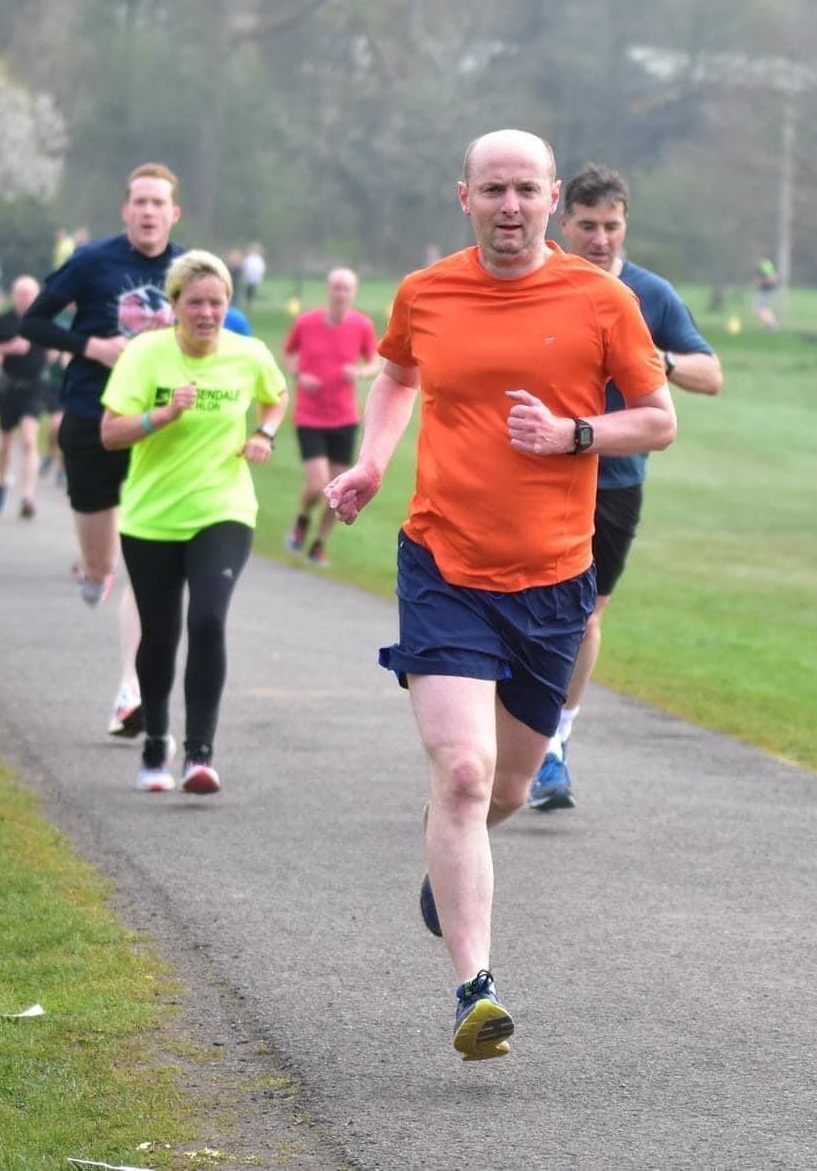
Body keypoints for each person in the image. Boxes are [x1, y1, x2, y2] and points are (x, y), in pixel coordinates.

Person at [323, 129, 675, 1061]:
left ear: (553, 198)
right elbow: (396, 375)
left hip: (554, 581)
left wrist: (574, 434)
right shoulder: (426, 292)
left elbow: (659, 420)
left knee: (508, 788)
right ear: (465, 197)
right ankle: (474, 991)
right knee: (463, 771)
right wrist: (372, 462)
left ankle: (449, 855)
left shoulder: (601, 300)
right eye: (493, 190)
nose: (509, 206)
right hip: (443, 565)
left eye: (526, 189)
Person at [528, 165, 723, 813]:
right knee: (521, 605)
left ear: (625, 225)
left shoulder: (649, 294)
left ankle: (554, 743)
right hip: (540, 469)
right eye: (587, 225)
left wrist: (655, 359)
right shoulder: (540, 280)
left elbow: (711, 374)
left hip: (614, 477)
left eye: (611, 226)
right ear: (564, 222)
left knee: (585, 614)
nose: (600, 238)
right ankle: (512, 727)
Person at [101, 250, 287, 793]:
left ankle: (199, 756)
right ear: (175, 305)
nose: (207, 313)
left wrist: (264, 434)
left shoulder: (248, 353)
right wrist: (161, 415)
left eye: (217, 302)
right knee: (159, 636)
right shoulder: (145, 354)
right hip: (152, 516)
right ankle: (156, 744)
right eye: (196, 303)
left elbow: (275, 397)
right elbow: (110, 433)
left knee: (207, 621)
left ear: (228, 304)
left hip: (223, 508)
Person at [21, 163, 183, 737]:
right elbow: (33, 323)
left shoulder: (188, 271)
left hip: (158, 428)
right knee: (102, 563)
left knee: (145, 565)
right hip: (93, 416)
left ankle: (129, 692)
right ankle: (93, 573)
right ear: (126, 210)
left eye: (158, 203)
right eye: (140, 201)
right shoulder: (92, 262)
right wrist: (93, 346)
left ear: (174, 213)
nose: (148, 211)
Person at [280, 266, 378, 566]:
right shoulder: (306, 322)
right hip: (309, 416)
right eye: (336, 287)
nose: (340, 294)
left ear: (354, 293)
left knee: (340, 491)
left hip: (344, 417)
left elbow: (374, 361)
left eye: (346, 288)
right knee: (317, 484)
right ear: (328, 291)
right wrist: (299, 376)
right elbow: (287, 354)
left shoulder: (362, 325)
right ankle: (302, 518)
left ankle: (318, 544)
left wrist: (359, 372)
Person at [0, 275, 50, 519]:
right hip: (9, 386)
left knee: (30, 439)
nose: (25, 299)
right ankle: (2, 481)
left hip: (34, 387)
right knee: (5, 441)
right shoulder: (3, 321)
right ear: (14, 296)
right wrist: (8, 348)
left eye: (29, 294)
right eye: (21, 294)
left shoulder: (43, 319)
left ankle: (27, 496)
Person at [751, 256, 780, 330]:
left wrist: (761, 282)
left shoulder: (765, 266)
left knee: (758, 308)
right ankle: (771, 325)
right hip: (766, 290)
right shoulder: (765, 266)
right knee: (761, 308)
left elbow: (772, 279)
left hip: (767, 291)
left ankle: (773, 325)